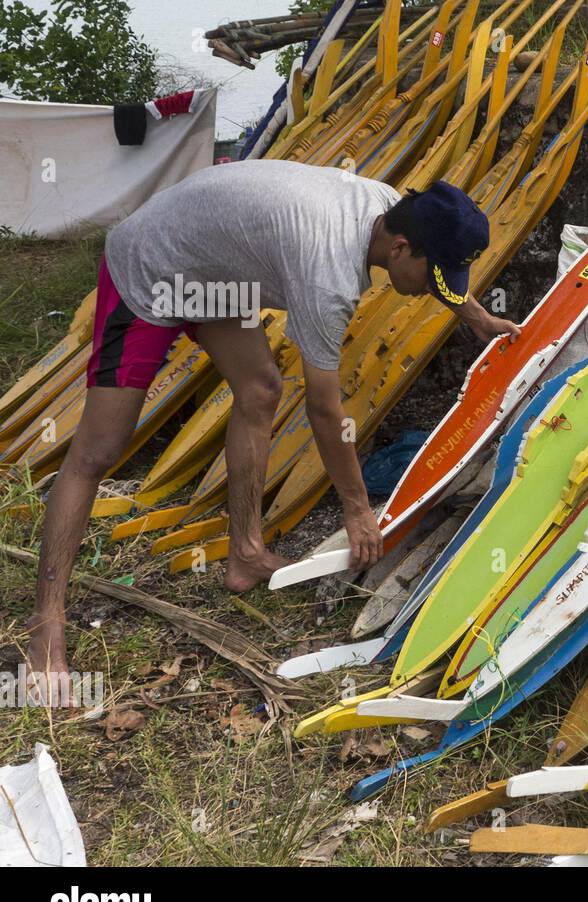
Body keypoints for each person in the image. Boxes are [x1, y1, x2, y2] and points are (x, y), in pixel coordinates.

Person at [26, 160, 517, 683]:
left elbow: (432, 272)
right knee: (98, 450)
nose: (429, 290)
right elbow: (325, 411)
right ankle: (45, 622)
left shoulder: (393, 211)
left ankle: (245, 554)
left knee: (260, 389)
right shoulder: (328, 272)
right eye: (432, 274)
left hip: (212, 270)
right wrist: (356, 511)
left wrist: (480, 320)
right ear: (399, 249)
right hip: (152, 266)